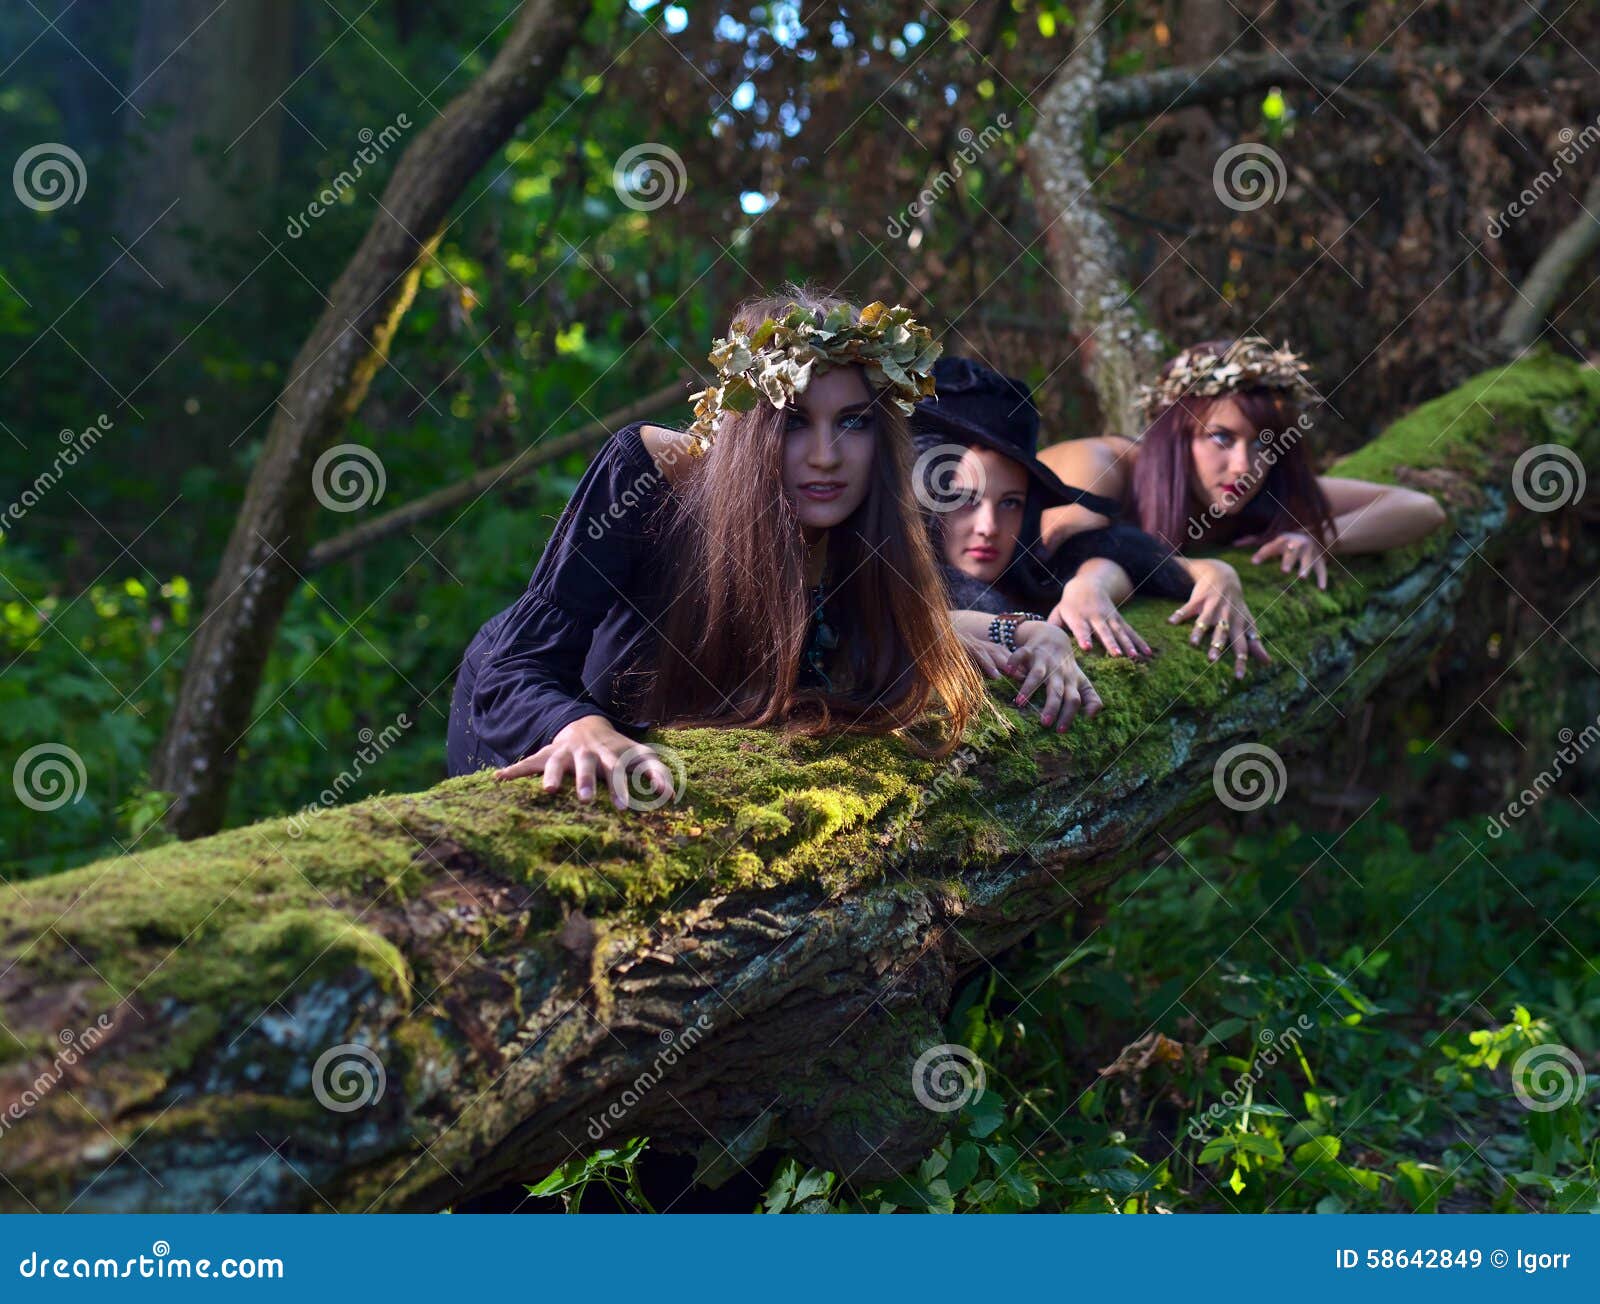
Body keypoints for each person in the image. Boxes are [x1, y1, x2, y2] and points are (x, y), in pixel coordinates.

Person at [445, 287, 995, 808]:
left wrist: (1024, 630)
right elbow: (514, 666)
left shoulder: (870, 521)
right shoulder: (654, 475)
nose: (826, 456)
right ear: (752, 427)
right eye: (795, 422)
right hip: (540, 724)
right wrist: (582, 726)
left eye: (853, 422)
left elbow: (935, 617)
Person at [1037, 336, 1448, 679]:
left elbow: (1419, 508)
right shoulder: (1101, 462)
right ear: (1176, 436)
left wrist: (1318, 537)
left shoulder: (1260, 487)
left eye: (1263, 442)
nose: (1243, 465)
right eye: (1220, 438)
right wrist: (1205, 570)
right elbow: (1068, 551)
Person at [909, 356, 1194, 731]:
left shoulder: (1036, 565)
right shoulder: (883, 573)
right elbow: (902, 620)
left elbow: (1126, 552)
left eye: (1011, 503)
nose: (988, 527)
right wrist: (1027, 630)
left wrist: (1090, 583)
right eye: (965, 500)